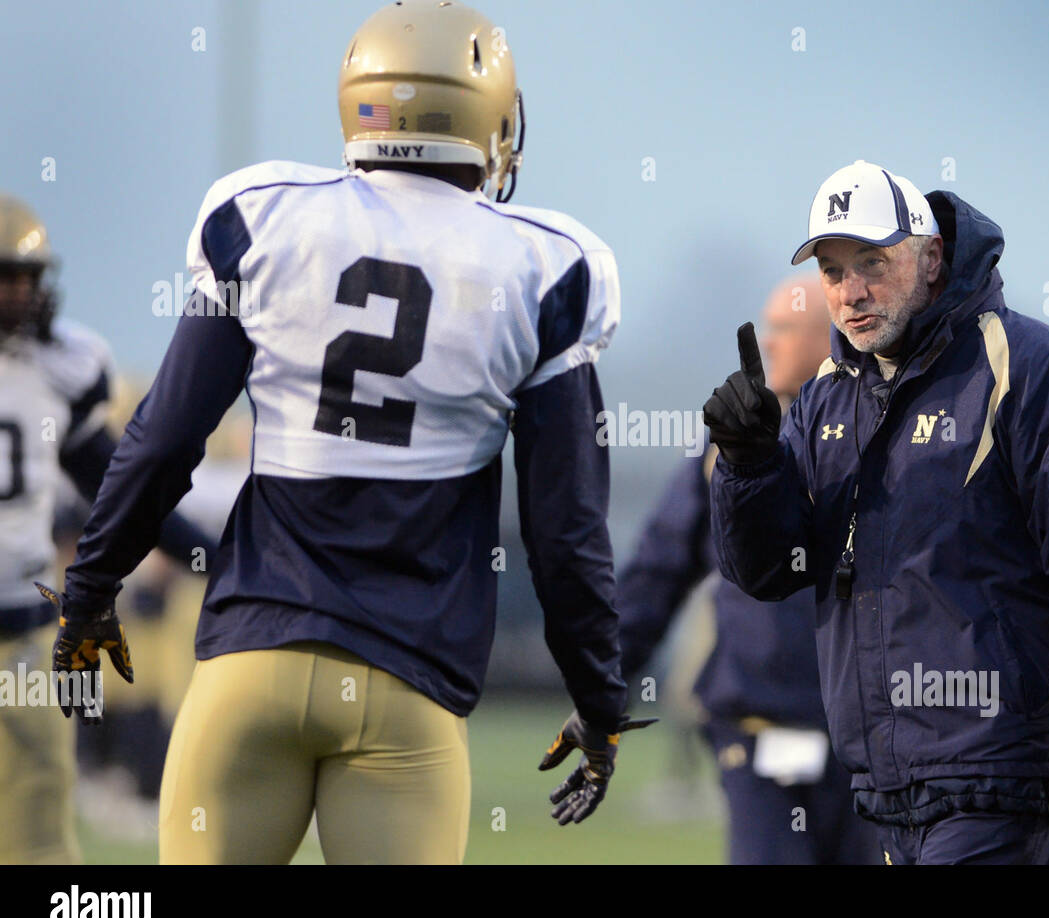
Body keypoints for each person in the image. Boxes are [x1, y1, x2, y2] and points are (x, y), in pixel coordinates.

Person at [45, 0, 648, 865]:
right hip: (410, 684)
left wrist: (91, 585)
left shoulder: (265, 218)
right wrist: (598, 700)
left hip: (249, 667)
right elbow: (567, 536)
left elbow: (164, 438)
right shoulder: (544, 269)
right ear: (486, 115)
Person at [702, 160, 1049, 864]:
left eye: (872, 262)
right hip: (884, 791)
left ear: (933, 257)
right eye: (831, 270)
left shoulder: (1032, 368)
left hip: (1000, 783)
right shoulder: (827, 396)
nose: (851, 291)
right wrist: (748, 464)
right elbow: (766, 569)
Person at [620, 274, 878, 864]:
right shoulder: (727, 450)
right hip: (757, 726)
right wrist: (603, 679)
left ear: (830, 337)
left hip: (865, 740)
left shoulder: (877, 435)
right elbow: (658, 570)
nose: (769, 343)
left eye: (785, 329)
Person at [0, 194, 213, 863]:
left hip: (23, 633)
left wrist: (210, 553)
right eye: (4, 277)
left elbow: (119, 488)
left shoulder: (59, 369)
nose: (18, 294)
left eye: (25, 278)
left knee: (39, 823)